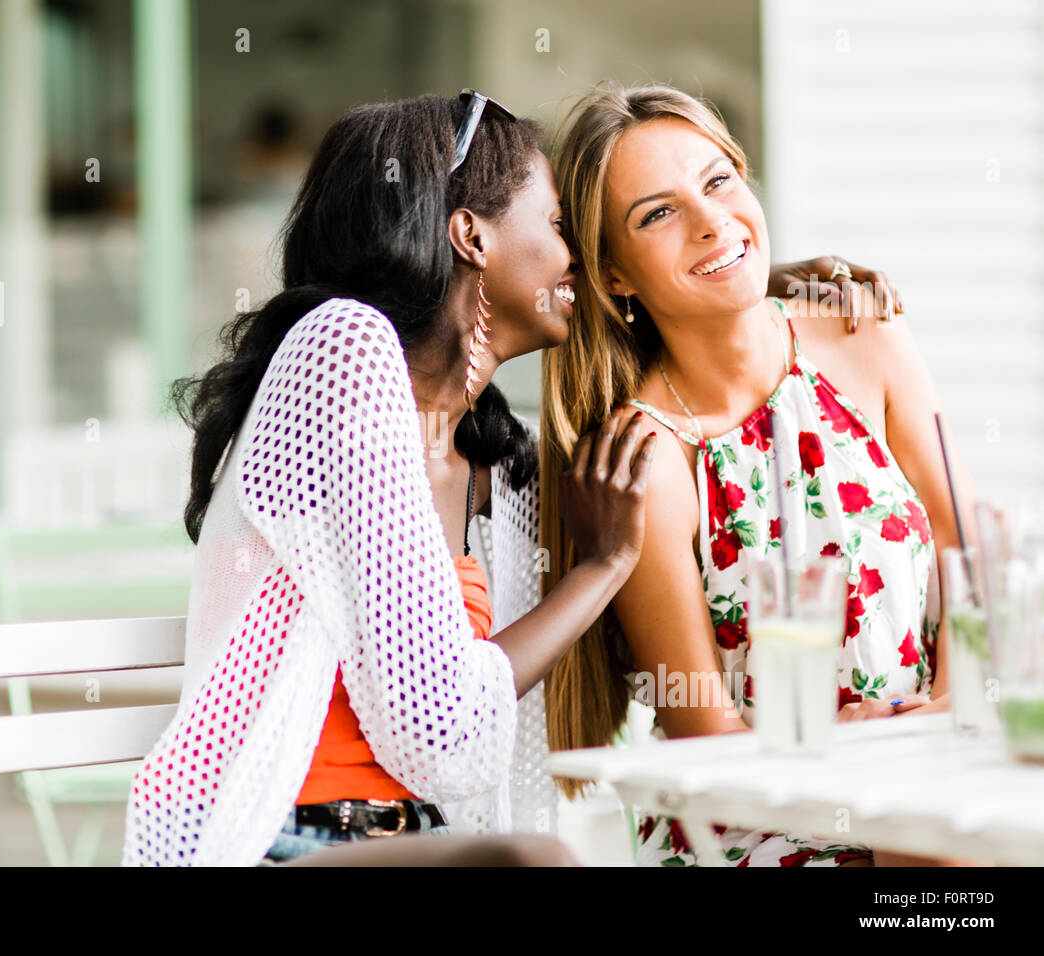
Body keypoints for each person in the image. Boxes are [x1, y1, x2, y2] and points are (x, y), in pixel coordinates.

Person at [122, 90, 658, 867]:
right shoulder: (340, 350)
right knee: (535, 864)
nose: (576, 253)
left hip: (413, 843)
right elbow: (439, 730)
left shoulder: (502, 468)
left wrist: (760, 286)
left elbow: (666, 364)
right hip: (275, 837)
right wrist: (603, 566)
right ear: (470, 234)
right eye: (554, 224)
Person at [541, 83, 978, 867]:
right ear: (614, 277)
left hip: (930, 783)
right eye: (658, 214)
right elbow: (708, 740)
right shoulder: (647, 458)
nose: (711, 221)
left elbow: (969, 544)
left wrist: (948, 708)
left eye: (717, 182)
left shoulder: (863, 330)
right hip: (767, 824)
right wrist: (874, 764)